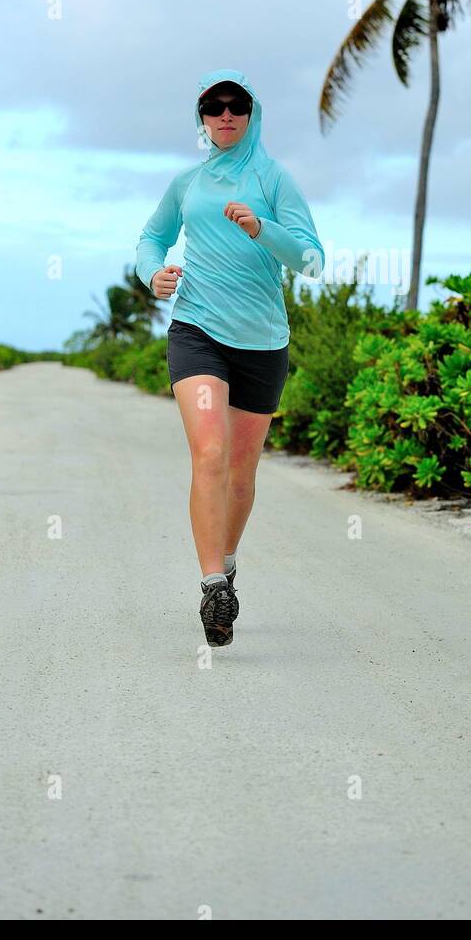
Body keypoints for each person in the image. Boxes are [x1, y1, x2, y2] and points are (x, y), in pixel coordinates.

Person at [135, 70, 325, 647]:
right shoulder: (187, 184)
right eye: (212, 107)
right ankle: (213, 583)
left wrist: (263, 228)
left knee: (241, 473)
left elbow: (312, 260)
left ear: (251, 113)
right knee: (210, 451)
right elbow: (151, 238)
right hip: (196, 331)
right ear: (201, 118)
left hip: (263, 343)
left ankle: (228, 557)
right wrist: (154, 273)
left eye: (235, 106)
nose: (224, 115)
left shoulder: (273, 179)